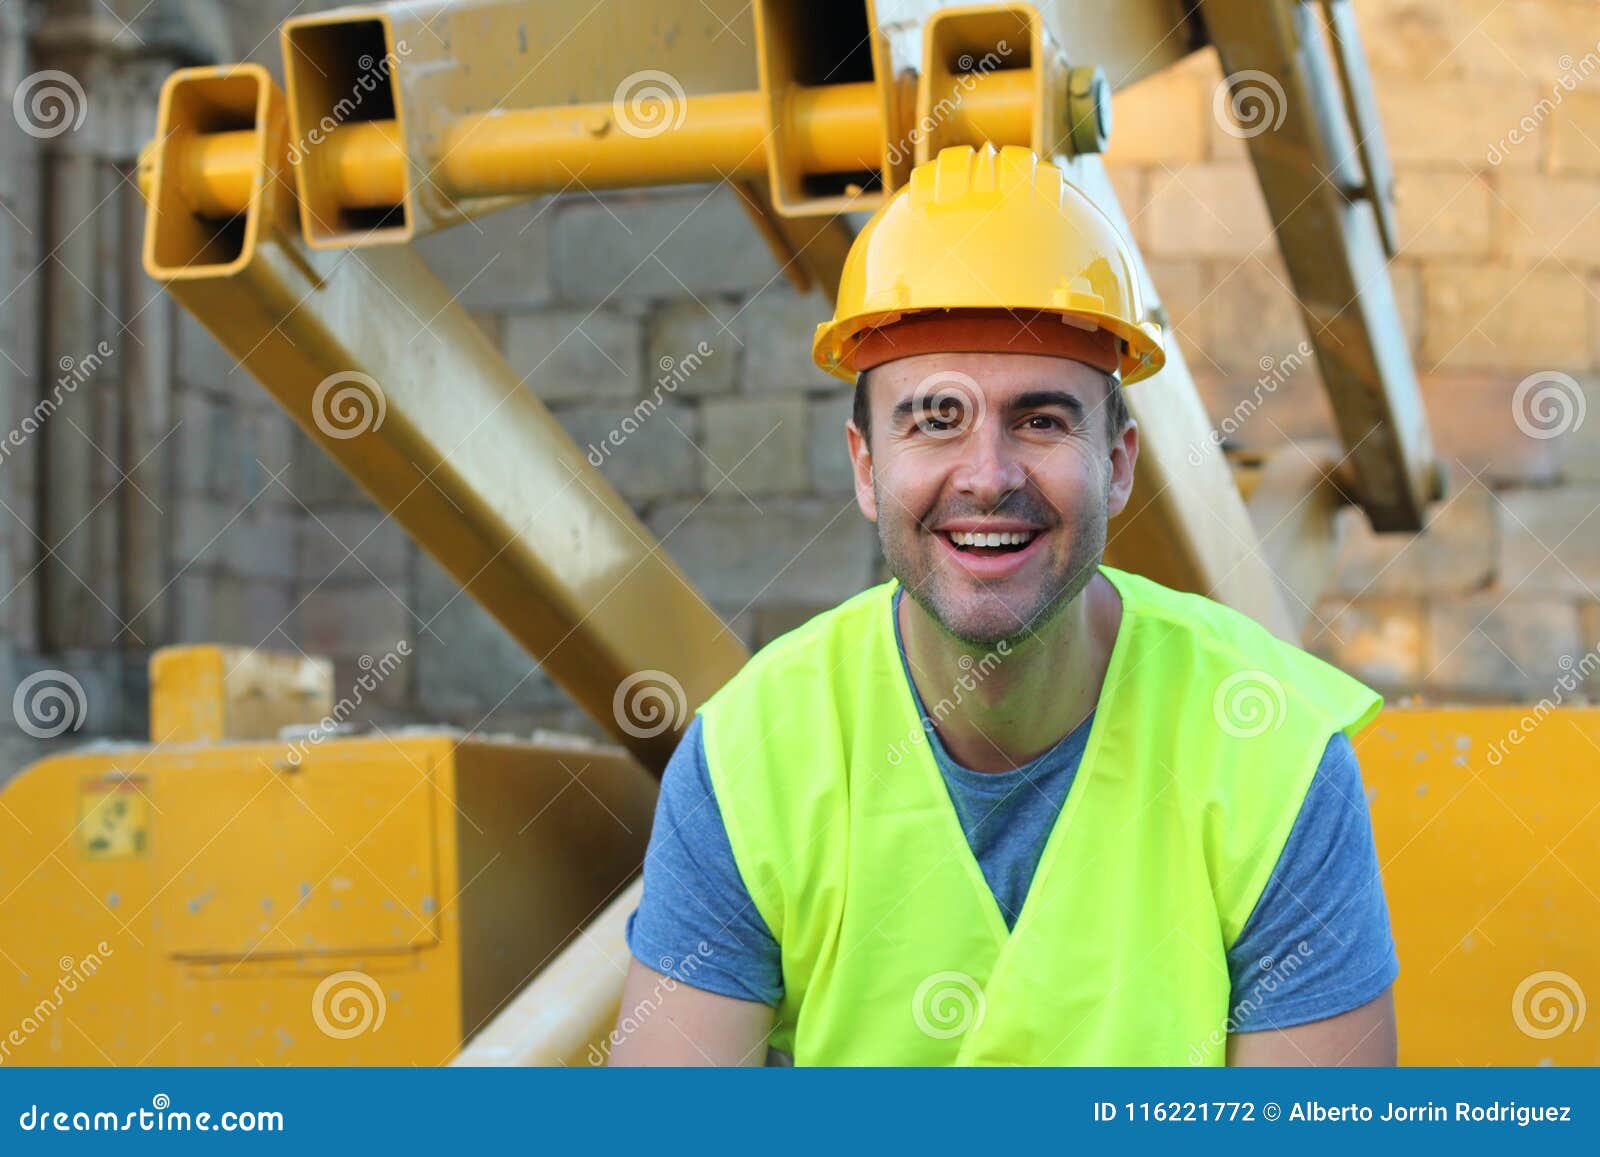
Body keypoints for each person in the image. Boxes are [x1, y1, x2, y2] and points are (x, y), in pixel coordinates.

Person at [608, 144, 1398, 1066]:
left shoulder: (1270, 752)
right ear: (866, 466)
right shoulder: (755, 756)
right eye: (935, 420)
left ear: (1117, 464)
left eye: (1041, 419)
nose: (987, 476)